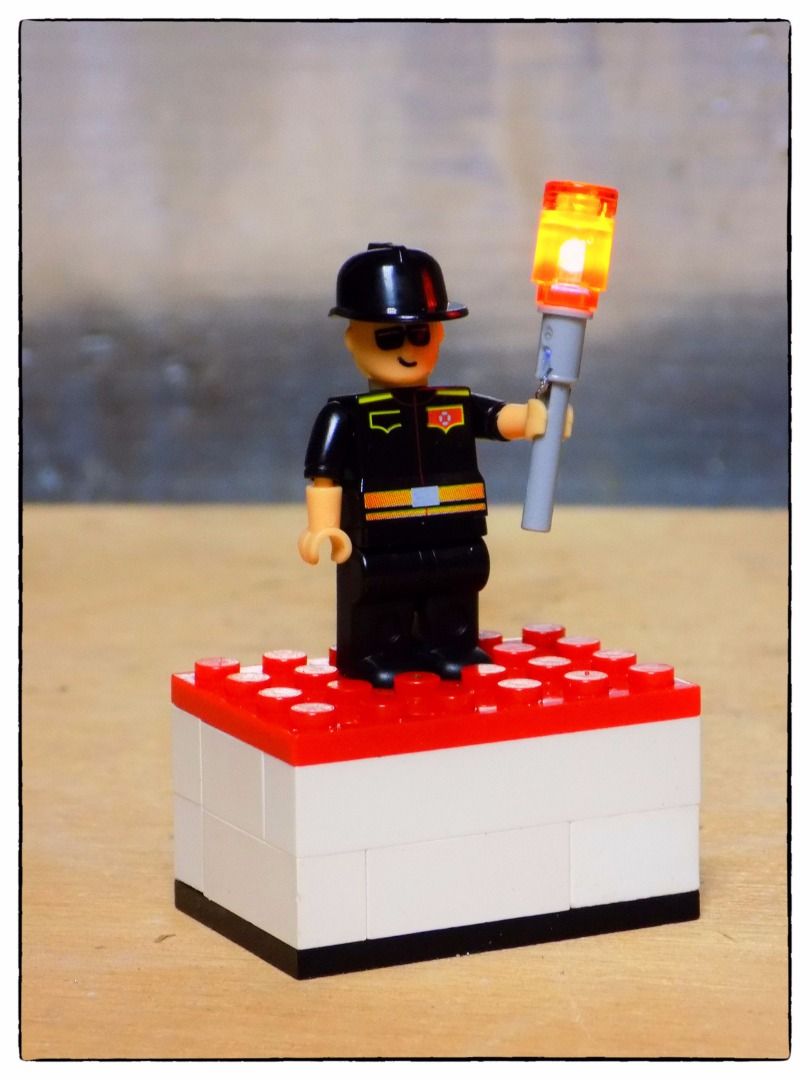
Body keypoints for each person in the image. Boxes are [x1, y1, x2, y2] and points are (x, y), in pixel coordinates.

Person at [299, 243, 549, 688]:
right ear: (353, 338)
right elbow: (325, 476)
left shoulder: (453, 403)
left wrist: (535, 418)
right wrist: (323, 527)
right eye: (389, 337)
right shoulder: (346, 416)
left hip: (455, 529)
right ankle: (380, 651)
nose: (408, 349)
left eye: (420, 335)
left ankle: (451, 644)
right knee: (381, 593)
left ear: (439, 336)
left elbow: (497, 419)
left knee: (455, 586)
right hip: (381, 535)